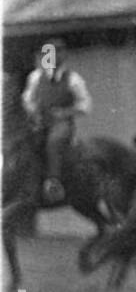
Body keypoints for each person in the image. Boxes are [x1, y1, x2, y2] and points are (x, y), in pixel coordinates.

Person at [22, 38, 92, 203]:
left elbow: (85, 104)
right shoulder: (35, 77)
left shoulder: (73, 78)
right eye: (48, 54)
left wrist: (66, 112)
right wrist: (33, 111)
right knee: (22, 142)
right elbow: (27, 99)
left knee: (54, 141)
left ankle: (53, 183)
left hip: (61, 123)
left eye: (57, 53)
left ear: (63, 56)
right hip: (40, 121)